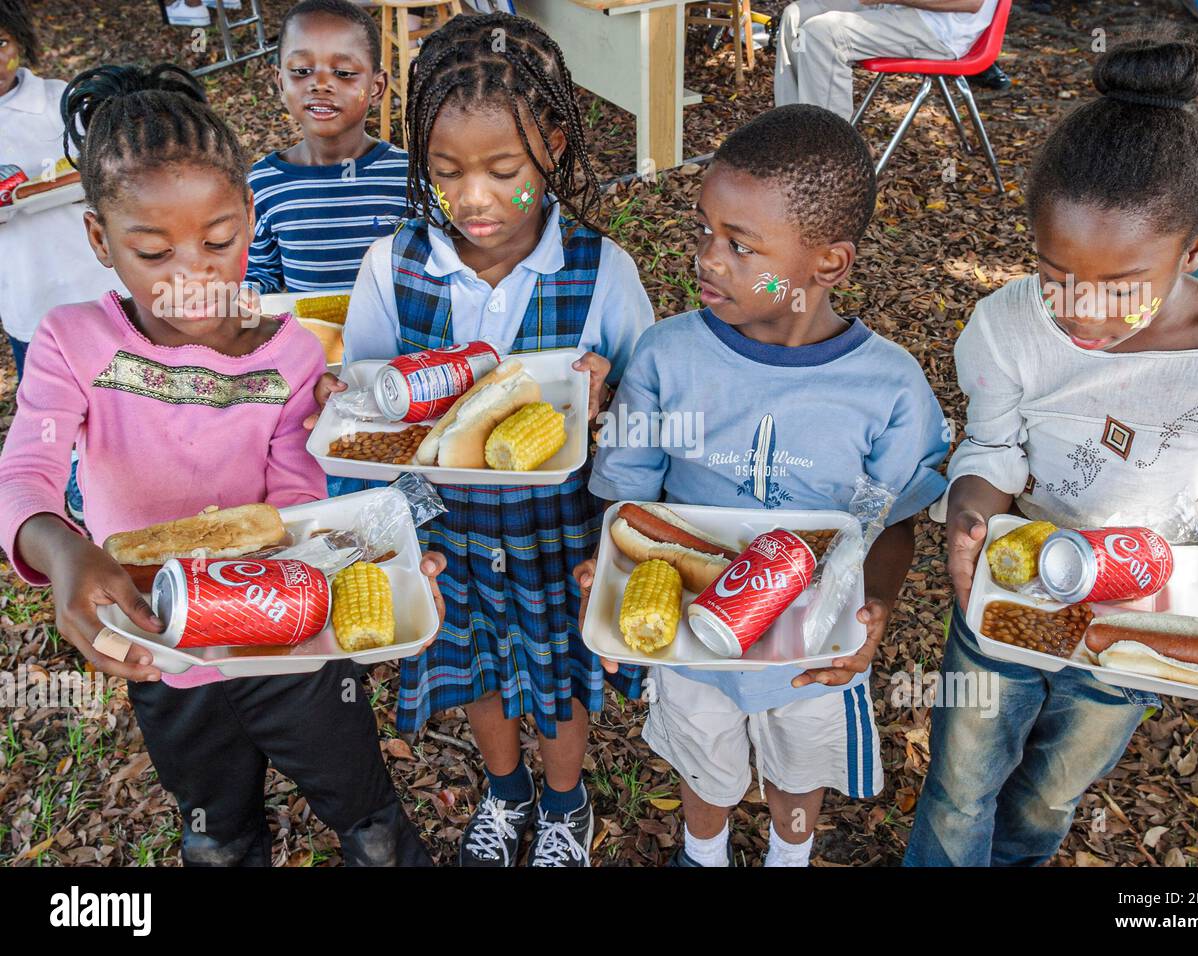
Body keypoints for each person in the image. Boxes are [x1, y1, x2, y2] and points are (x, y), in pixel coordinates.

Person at [0, 63, 443, 867]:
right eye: (153, 251)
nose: (193, 276)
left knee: (372, 825)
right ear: (101, 241)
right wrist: (61, 549)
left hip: (292, 650)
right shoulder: (71, 343)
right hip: (161, 648)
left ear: (249, 215)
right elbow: (26, 468)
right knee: (217, 836)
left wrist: (369, 561)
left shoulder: (294, 354)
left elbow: (297, 499)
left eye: (219, 241)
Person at [905, 35, 1198, 867]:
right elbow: (994, 443)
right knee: (959, 786)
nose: (1080, 312)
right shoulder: (1010, 325)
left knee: (1052, 791)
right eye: (1055, 275)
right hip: (1008, 594)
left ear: (1193, 250)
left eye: (1120, 286)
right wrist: (972, 506)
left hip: (1140, 619)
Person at [581, 104, 951, 867]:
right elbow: (628, 506)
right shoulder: (664, 359)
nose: (709, 259)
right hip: (689, 638)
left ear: (829, 264)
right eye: (705, 232)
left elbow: (894, 520)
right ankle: (703, 848)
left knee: (799, 767)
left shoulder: (889, 390)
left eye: (741, 246)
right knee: (704, 759)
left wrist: (876, 608)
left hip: (813, 645)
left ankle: (790, 853)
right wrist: (607, 579)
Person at [331, 13, 654, 867]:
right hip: (444, 530)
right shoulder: (390, 266)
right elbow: (363, 406)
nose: (472, 198)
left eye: (503, 170)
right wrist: (350, 405)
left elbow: (647, 410)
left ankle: (562, 801)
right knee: (475, 667)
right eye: (445, 173)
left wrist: (607, 394)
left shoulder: (603, 271)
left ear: (552, 143)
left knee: (556, 680)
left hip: (557, 529)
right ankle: (505, 789)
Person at [244, 0, 409, 297]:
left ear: (376, 87)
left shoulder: (409, 178)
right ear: (280, 83)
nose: (320, 84)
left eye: (344, 73)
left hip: (398, 344)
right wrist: (245, 295)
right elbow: (260, 274)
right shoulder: (263, 186)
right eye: (302, 70)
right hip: (312, 340)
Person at [0, 0, 121, 382]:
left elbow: (118, 169)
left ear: (19, 41)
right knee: (56, 418)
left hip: (104, 285)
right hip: (31, 304)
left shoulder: (62, 100)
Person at [774, 0, 999, 120]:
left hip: (940, 29)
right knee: (796, 15)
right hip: (898, 7)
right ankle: (795, 130)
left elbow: (970, 2)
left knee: (823, 33)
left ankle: (834, 153)